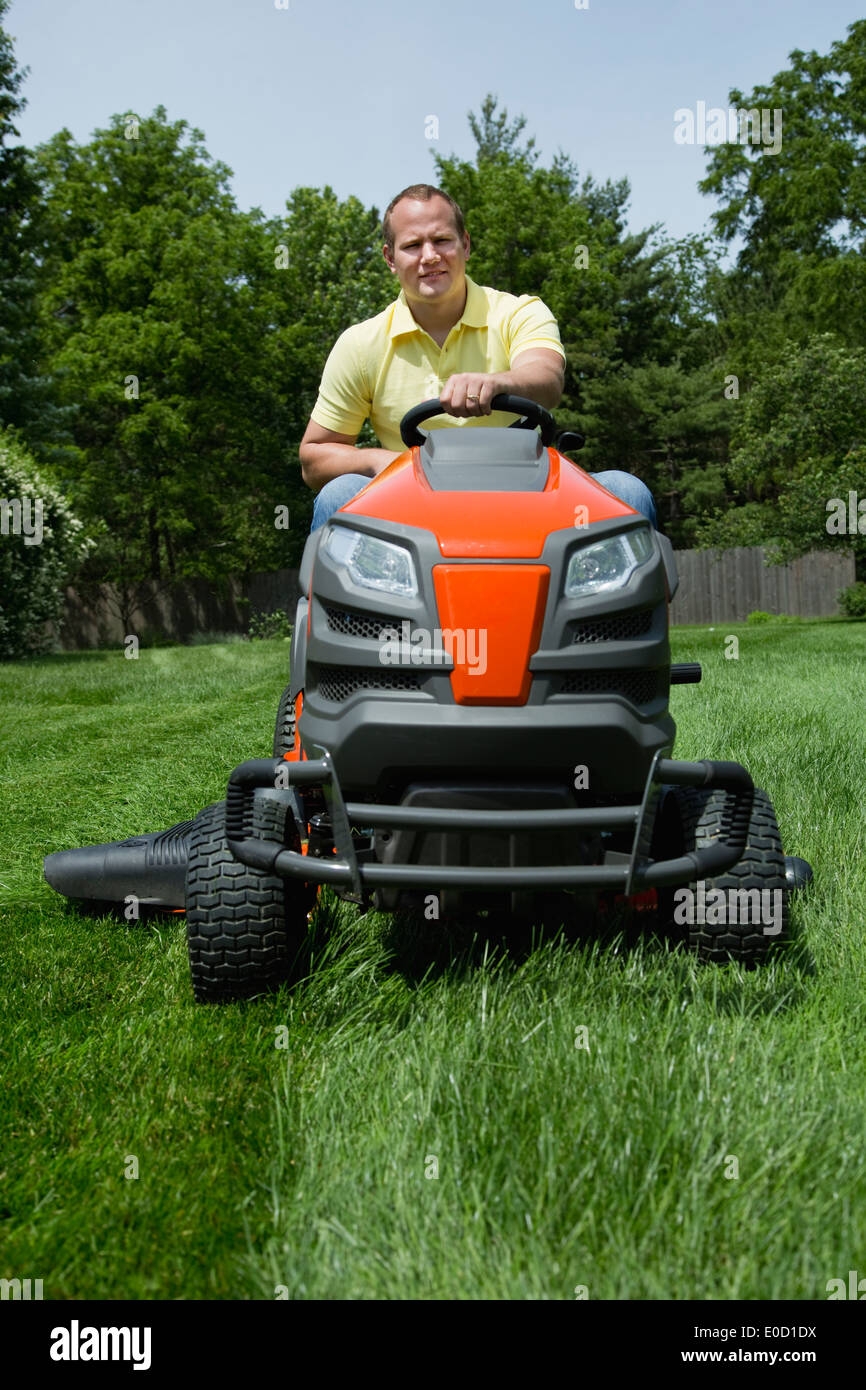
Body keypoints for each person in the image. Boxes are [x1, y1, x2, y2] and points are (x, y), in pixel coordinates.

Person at [299, 183, 657, 531]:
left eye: (442, 240)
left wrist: (497, 382)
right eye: (412, 245)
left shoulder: (519, 312)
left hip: (526, 496)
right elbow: (314, 457)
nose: (430, 256)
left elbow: (547, 379)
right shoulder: (360, 344)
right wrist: (384, 462)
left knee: (627, 491)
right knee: (338, 494)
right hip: (408, 509)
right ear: (390, 258)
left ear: (465, 245)